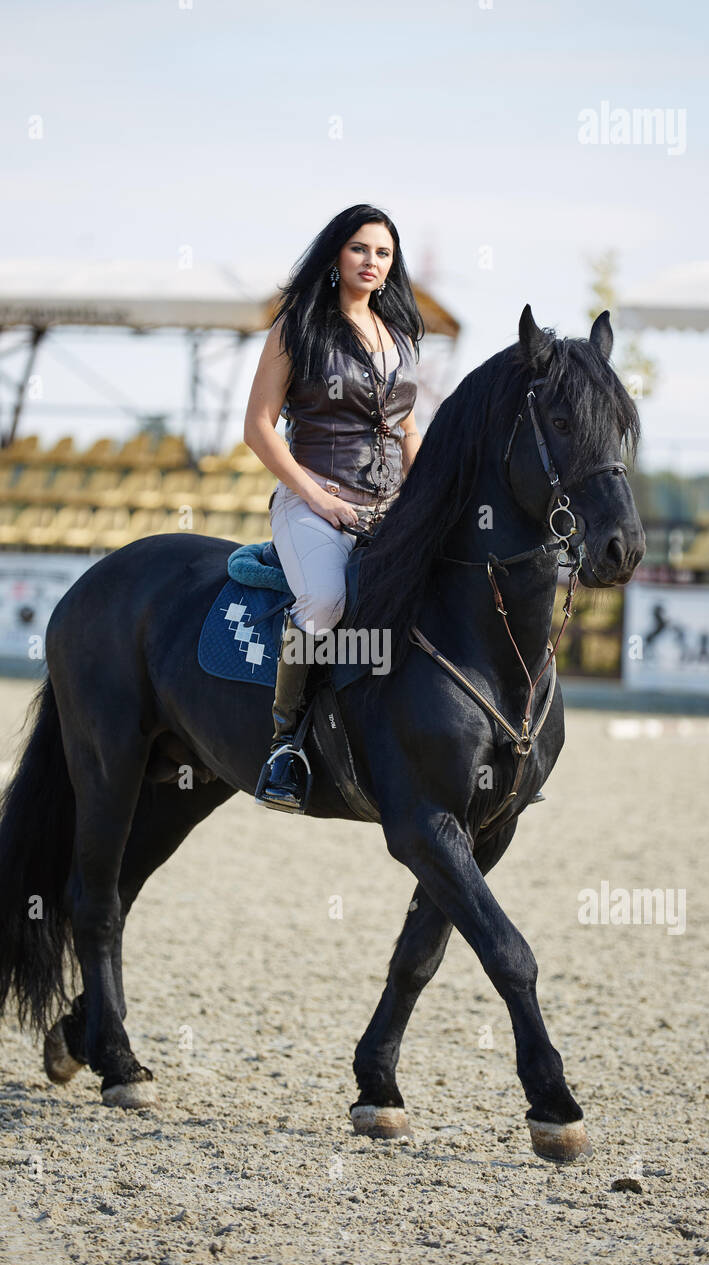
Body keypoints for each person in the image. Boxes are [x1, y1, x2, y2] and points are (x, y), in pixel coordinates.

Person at [243, 203, 424, 812]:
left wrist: (425, 499)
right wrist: (319, 498)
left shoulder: (399, 336)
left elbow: (408, 429)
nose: (372, 262)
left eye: (384, 254)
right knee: (324, 601)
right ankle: (285, 745)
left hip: (390, 509)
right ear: (336, 254)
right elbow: (259, 427)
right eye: (360, 249)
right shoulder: (296, 328)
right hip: (312, 502)